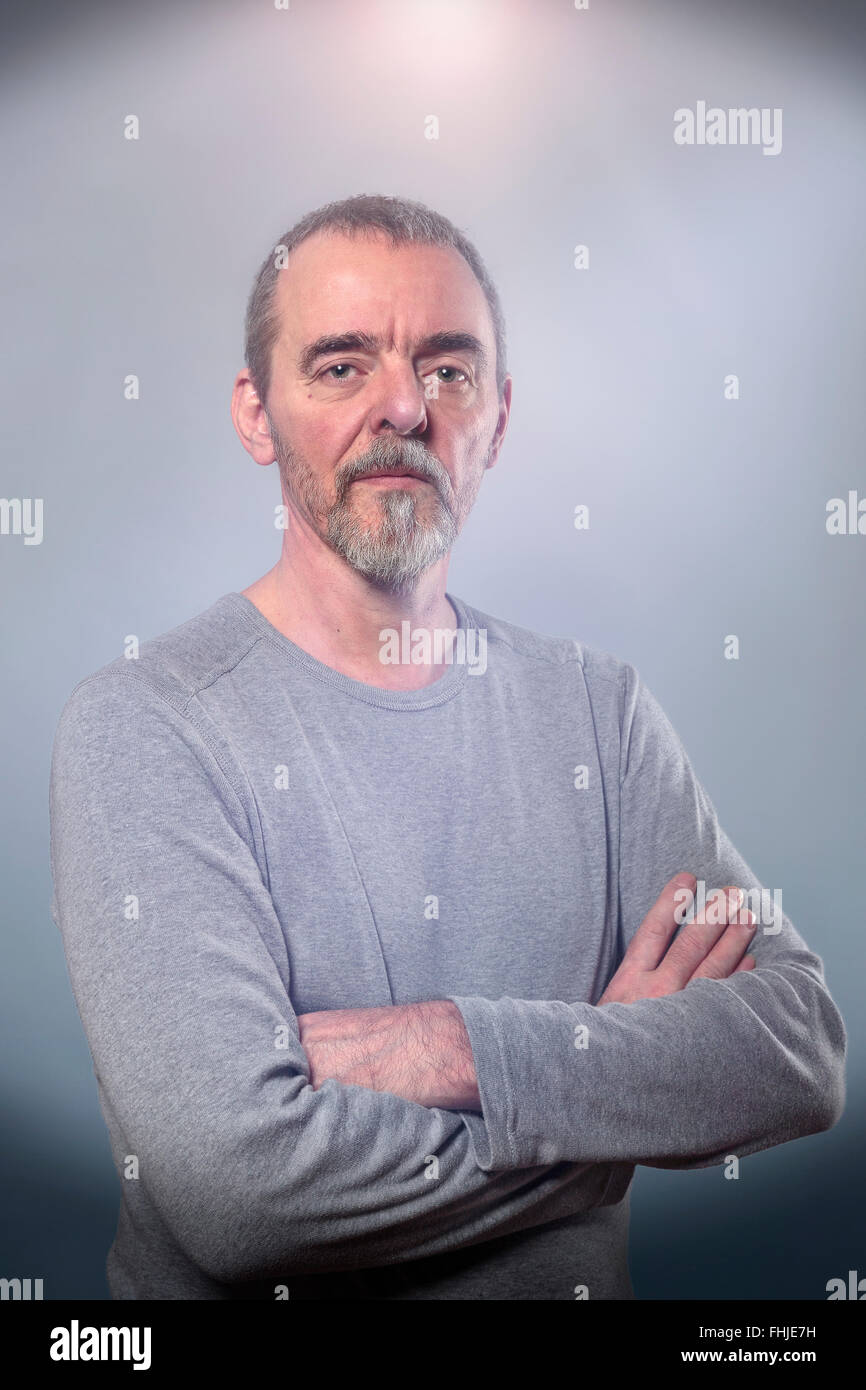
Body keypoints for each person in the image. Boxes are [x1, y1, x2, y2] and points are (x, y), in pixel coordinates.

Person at [49, 193, 846, 1301]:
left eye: (447, 369)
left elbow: (793, 1049)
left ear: (497, 418)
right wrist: (597, 1082)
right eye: (339, 366)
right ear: (255, 414)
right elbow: (239, 1195)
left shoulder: (596, 715)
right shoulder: (146, 725)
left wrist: (449, 1046)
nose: (403, 409)